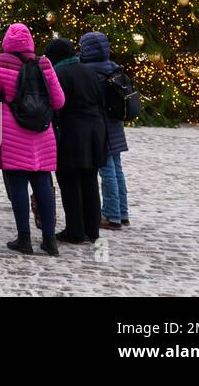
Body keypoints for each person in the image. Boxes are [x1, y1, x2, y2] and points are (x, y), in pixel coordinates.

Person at [0, 23, 66, 255]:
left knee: (17, 184)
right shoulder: (44, 63)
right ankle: (49, 240)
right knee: (43, 185)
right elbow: (59, 101)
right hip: (42, 131)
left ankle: (24, 238)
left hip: (11, 131)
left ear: (7, 41)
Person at [46, 37, 107, 244]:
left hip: (72, 134)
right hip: (94, 132)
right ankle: (92, 229)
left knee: (69, 183)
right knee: (90, 181)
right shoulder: (89, 70)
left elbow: (57, 106)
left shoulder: (59, 74)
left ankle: (75, 230)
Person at [80, 31, 131, 230]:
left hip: (102, 127)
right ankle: (123, 211)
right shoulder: (113, 67)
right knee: (117, 169)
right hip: (115, 125)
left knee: (107, 170)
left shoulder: (91, 71)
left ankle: (111, 215)